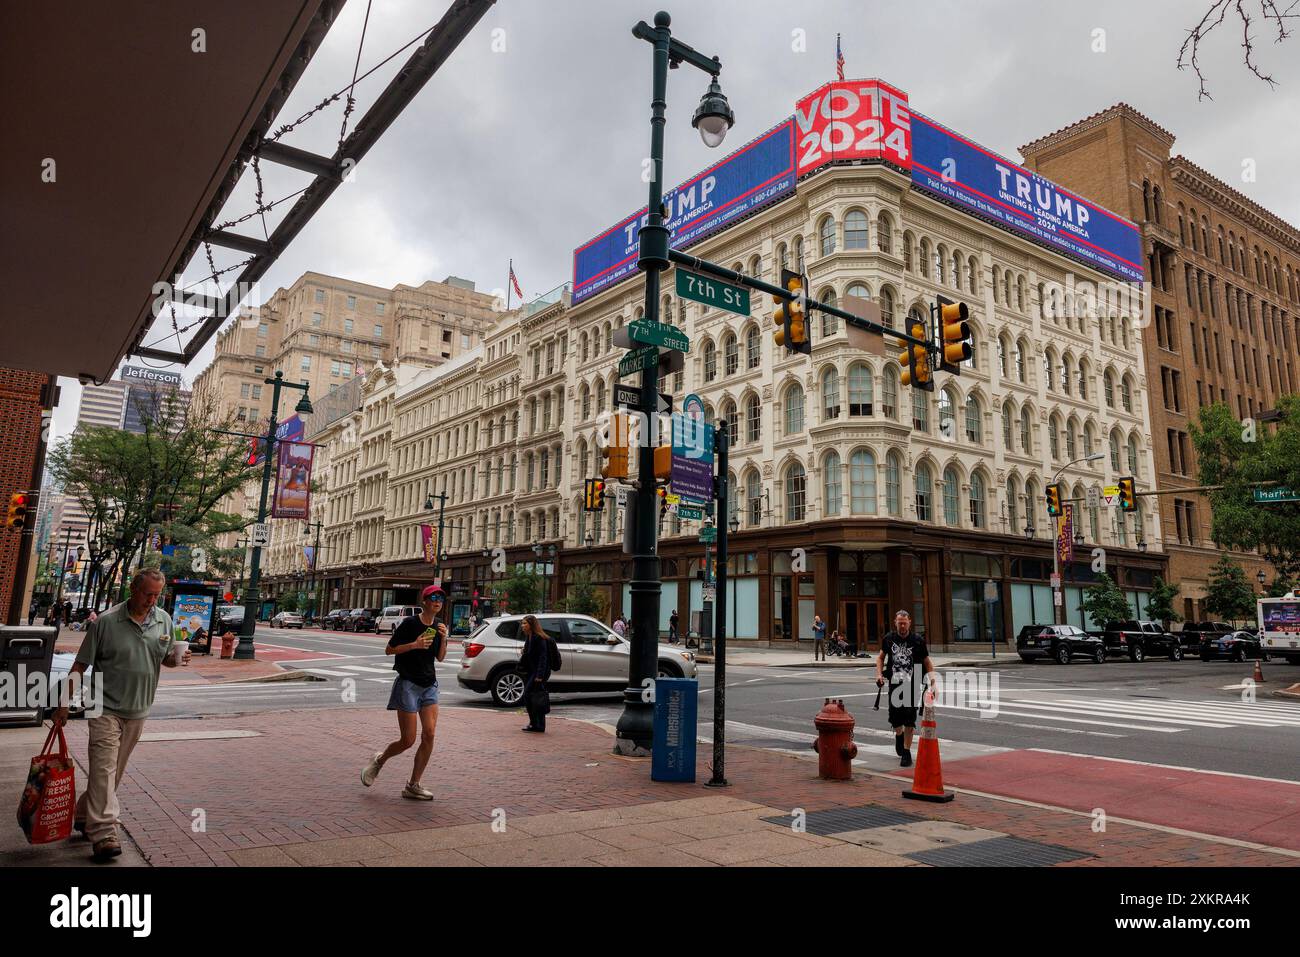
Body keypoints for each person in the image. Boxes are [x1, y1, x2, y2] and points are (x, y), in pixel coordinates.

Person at [53, 568, 189, 862]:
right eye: (147, 594)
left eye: (157, 594)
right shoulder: (106, 622)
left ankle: (83, 814)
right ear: (132, 590)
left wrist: (177, 660)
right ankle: (104, 834)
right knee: (103, 768)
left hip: (138, 708)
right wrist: (64, 702)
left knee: (113, 772)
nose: (152, 600)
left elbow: (165, 658)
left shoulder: (163, 620)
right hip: (103, 707)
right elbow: (80, 665)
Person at [361, 585, 448, 800]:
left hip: (429, 685)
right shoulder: (409, 623)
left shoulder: (438, 626)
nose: (437, 601)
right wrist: (414, 645)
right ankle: (379, 760)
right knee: (407, 740)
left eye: (441, 598)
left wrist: (445, 638)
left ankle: (413, 784)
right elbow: (389, 649)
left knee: (429, 734)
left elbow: (440, 658)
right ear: (424, 601)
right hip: (408, 684)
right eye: (433, 597)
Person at [875, 610, 939, 768]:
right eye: (899, 622)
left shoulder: (917, 640)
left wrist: (933, 682)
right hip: (895, 682)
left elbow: (927, 662)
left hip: (914, 681)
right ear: (895, 622)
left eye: (904, 622)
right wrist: (879, 674)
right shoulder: (889, 639)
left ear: (910, 622)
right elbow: (880, 657)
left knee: (909, 718)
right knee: (895, 717)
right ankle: (899, 734)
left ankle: (906, 751)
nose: (902, 625)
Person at [519, 615, 557, 732]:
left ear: (531, 625)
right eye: (522, 623)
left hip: (540, 672)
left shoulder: (538, 638)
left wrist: (539, 676)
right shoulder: (529, 637)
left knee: (531, 695)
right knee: (534, 697)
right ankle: (537, 724)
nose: (523, 626)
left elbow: (543, 658)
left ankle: (537, 724)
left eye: (525, 623)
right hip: (532, 671)